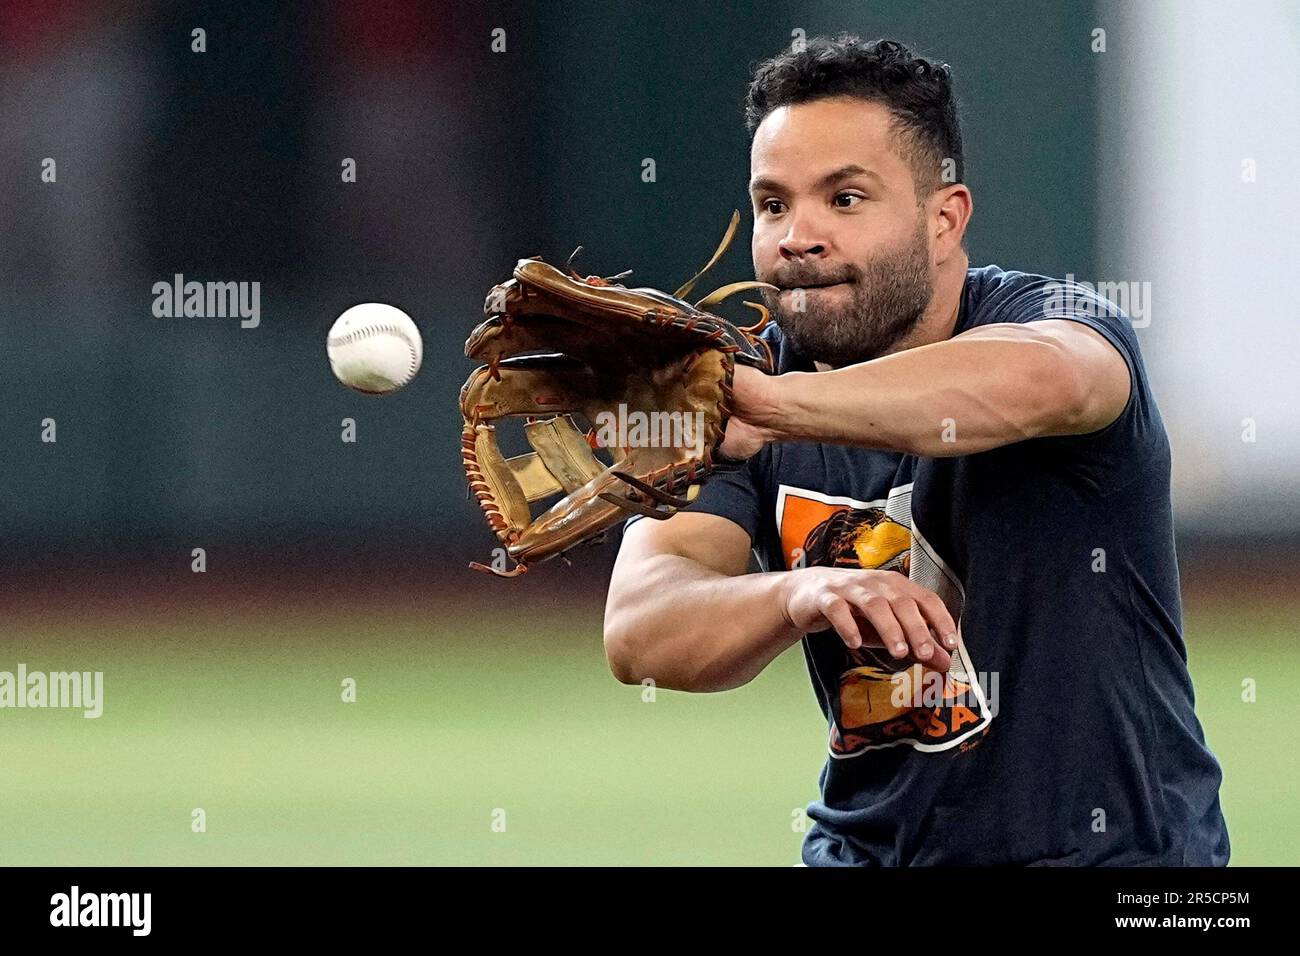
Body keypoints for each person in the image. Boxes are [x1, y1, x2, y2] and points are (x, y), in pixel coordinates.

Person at [602, 34, 1230, 866]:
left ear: (945, 219)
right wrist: (798, 592)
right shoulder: (743, 386)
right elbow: (641, 630)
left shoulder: (1057, 318)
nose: (798, 236)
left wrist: (775, 408)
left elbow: (1053, 381)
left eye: (845, 199)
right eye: (773, 204)